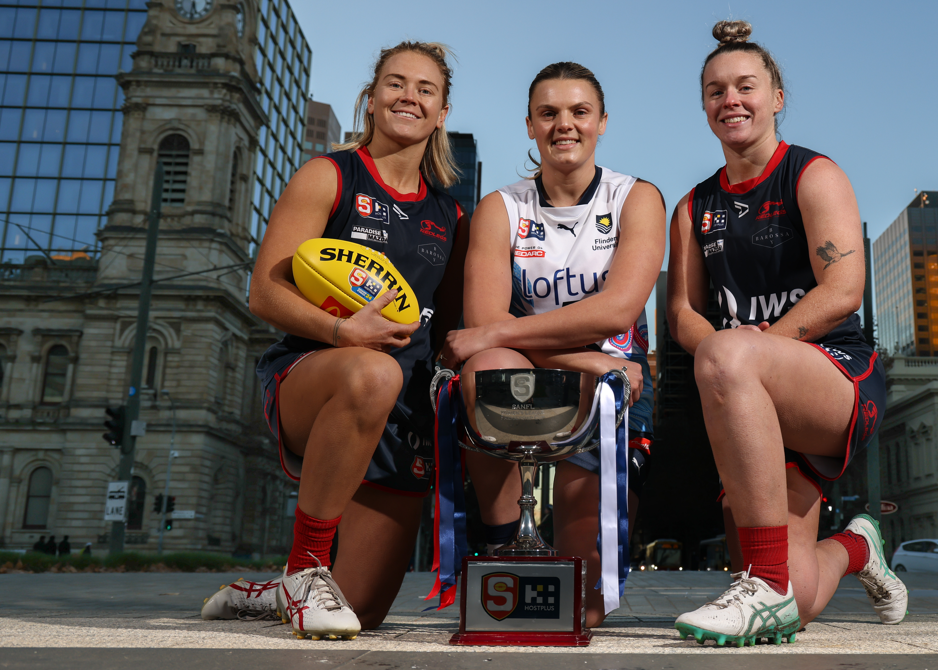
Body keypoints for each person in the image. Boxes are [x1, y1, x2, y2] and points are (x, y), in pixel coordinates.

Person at [667, 21, 906, 647]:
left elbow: (843, 290)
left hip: (832, 375)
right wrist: (729, 354)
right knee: (798, 604)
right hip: (751, 393)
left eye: (747, 86)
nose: (731, 101)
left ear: (777, 97)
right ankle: (855, 547)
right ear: (704, 106)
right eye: (716, 91)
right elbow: (684, 315)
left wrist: (755, 345)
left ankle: (763, 586)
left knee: (729, 350)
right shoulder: (693, 207)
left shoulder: (812, 174)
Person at [246, 40, 467, 640]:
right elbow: (265, 294)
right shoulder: (328, 176)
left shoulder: (450, 217)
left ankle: (265, 596)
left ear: (443, 112)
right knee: (372, 371)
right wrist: (346, 332)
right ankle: (303, 568)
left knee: (358, 613)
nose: (409, 97)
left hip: (402, 413)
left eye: (426, 89)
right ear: (371, 99)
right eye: (395, 83)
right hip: (317, 379)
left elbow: (448, 332)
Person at [440, 62, 665, 627]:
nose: (564, 124)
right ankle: (499, 542)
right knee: (486, 364)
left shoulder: (637, 198)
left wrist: (500, 333)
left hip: (610, 390)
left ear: (602, 123)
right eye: (549, 113)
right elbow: (484, 327)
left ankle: (559, 543)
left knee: (582, 607)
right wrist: (578, 352)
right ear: (530, 125)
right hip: (541, 369)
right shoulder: (500, 207)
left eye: (579, 112)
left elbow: (616, 311)